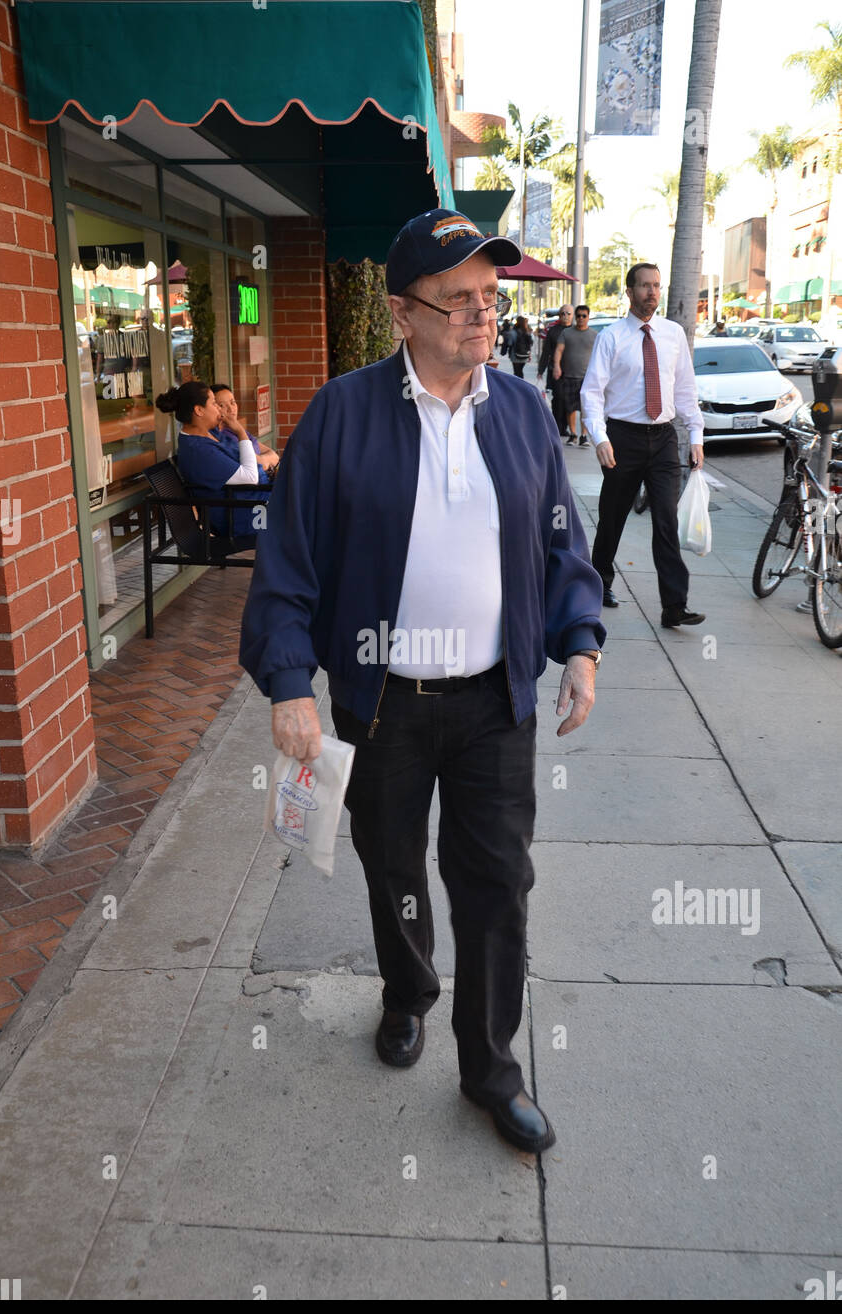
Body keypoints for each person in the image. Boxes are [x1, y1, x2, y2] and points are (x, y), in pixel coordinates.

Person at [240, 207, 605, 1155]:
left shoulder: (521, 410)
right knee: (392, 868)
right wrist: (289, 683)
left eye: (488, 299)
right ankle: (406, 993)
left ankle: (490, 1069)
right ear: (403, 315)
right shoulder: (342, 414)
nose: (480, 318)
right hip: (383, 705)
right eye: (458, 303)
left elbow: (560, 544)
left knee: (496, 886)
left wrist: (580, 642)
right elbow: (288, 563)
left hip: (492, 702)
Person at [580, 262, 706, 626]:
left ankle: (674, 606)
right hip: (623, 438)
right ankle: (600, 581)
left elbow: (684, 389)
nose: (652, 292)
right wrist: (600, 437)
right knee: (612, 517)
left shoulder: (673, 334)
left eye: (656, 285)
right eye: (644, 286)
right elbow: (592, 392)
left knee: (665, 519)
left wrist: (695, 435)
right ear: (629, 291)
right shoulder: (612, 337)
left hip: (664, 439)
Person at [156, 381, 273, 547]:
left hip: (257, 501)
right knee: (311, 509)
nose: (219, 409)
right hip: (244, 516)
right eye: (214, 403)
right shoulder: (198, 451)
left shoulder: (210, 434)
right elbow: (251, 477)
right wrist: (240, 431)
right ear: (199, 410)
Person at [211, 383, 279, 480]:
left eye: (232, 402)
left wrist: (265, 461)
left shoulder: (236, 430)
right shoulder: (221, 437)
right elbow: (258, 464)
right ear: (214, 408)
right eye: (222, 405)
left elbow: (274, 456)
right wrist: (267, 462)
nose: (231, 409)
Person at [552, 305, 596, 446]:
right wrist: (557, 367)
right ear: (575, 317)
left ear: (588, 317)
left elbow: (601, 355)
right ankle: (573, 434)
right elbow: (559, 350)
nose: (581, 318)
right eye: (578, 316)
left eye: (584, 316)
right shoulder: (567, 333)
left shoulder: (595, 335)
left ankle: (584, 436)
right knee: (570, 408)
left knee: (585, 409)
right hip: (569, 376)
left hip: (587, 378)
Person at [537, 305, 573, 436]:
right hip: (555, 371)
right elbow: (546, 351)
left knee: (568, 401)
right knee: (558, 398)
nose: (565, 316)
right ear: (559, 315)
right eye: (562, 313)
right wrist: (541, 370)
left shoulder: (575, 330)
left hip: (572, 372)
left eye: (568, 313)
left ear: (572, 315)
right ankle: (557, 427)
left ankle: (565, 426)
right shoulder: (553, 331)